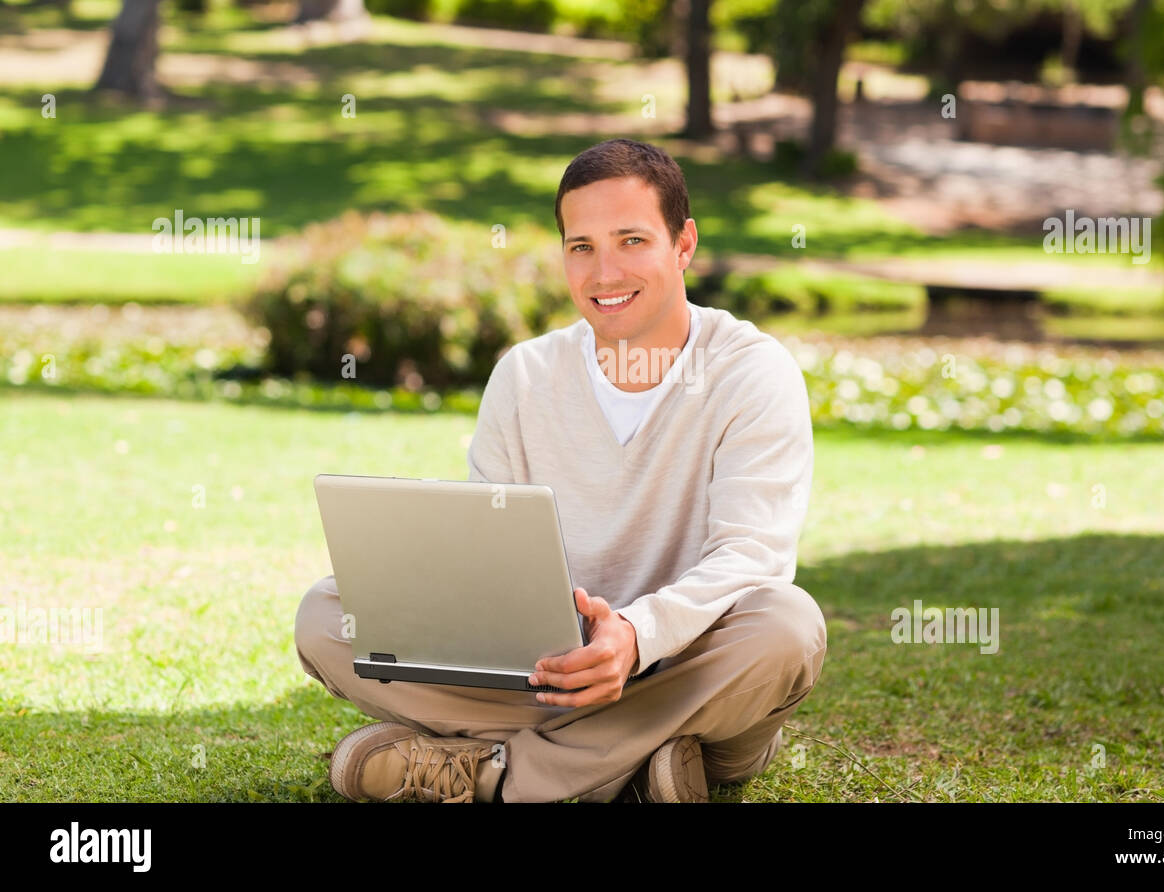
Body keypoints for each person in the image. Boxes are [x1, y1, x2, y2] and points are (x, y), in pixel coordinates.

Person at [294, 137, 827, 803]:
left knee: (786, 627)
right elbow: (491, 562)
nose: (604, 273)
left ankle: (491, 775)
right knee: (327, 613)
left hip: (687, 658)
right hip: (546, 671)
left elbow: (752, 556)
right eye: (582, 247)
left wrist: (633, 638)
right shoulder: (526, 375)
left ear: (683, 244)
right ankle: (641, 765)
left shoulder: (751, 372)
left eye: (632, 240)